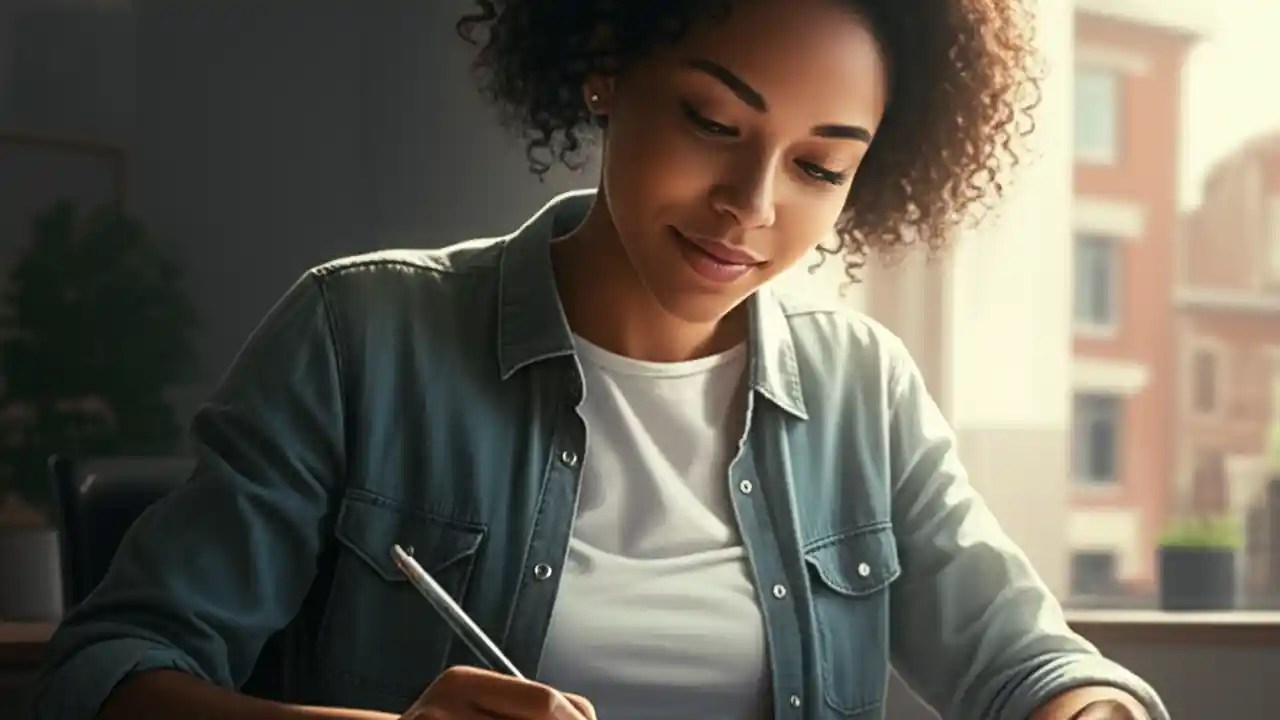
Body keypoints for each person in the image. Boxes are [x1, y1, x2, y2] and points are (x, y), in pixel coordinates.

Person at [34, 1, 1168, 718]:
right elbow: (105, 671)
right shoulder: (360, 337)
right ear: (603, 68)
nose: (750, 205)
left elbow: (1028, 666)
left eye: (820, 169)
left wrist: (1084, 711)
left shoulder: (862, 390)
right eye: (711, 124)